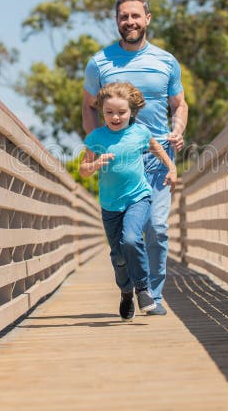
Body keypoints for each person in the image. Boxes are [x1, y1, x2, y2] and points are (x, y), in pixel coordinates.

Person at [83, 0, 188, 315]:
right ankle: (129, 287)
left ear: (147, 19)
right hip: (118, 160)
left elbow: (179, 104)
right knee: (123, 244)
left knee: (156, 229)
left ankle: (152, 295)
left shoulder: (166, 61)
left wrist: (178, 129)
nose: (129, 21)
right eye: (123, 16)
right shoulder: (99, 62)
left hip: (155, 157)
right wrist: (95, 144)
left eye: (135, 15)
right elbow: (88, 107)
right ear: (117, 21)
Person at [80, 82, 178, 320]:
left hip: (138, 197)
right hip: (111, 204)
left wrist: (171, 168)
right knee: (119, 256)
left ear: (132, 112)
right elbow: (83, 169)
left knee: (132, 239)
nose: (115, 117)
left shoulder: (140, 133)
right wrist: (94, 165)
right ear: (102, 112)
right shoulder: (97, 137)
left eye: (121, 112)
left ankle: (143, 290)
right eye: (109, 112)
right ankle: (126, 292)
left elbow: (157, 147)